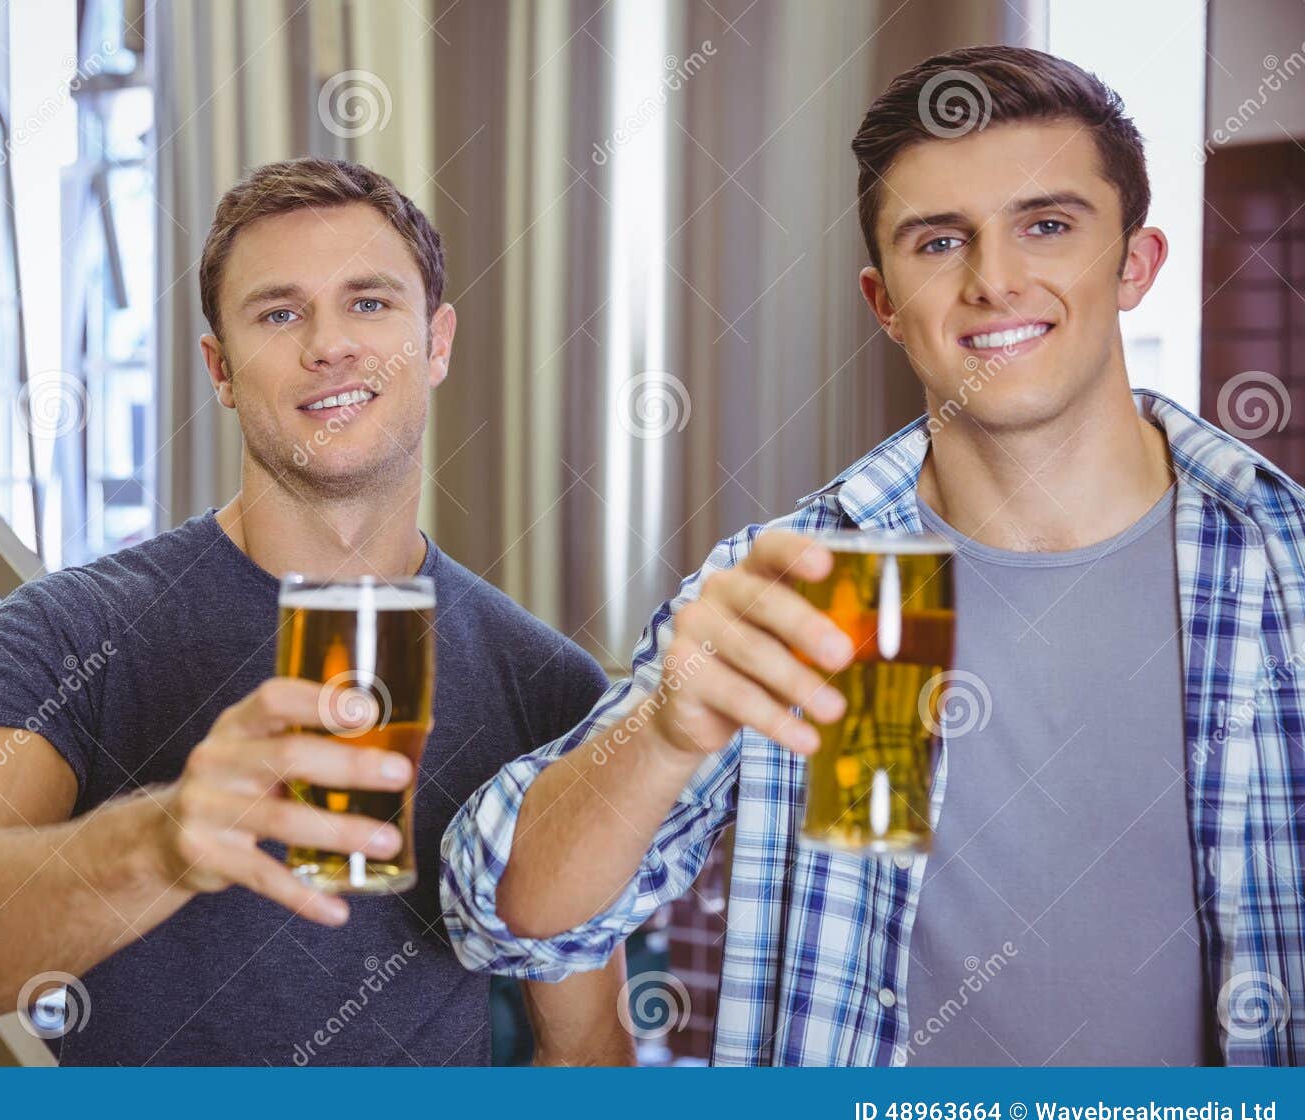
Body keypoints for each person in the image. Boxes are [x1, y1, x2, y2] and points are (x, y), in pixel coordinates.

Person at [442, 45, 1304, 1066]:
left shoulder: (1281, 567)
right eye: (939, 242)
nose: (993, 280)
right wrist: (669, 725)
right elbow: (506, 916)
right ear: (883, 300)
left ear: (1134, 264)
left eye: (1046, 224)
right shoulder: (797, 584)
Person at [0, 157, 633, 1067]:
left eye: (370, 303)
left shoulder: (544, 684)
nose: (329, 344)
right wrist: (161, 839)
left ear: (438, 341)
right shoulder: (70, 632)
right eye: (279, 313)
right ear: (220, 368)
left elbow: (585, 1054)